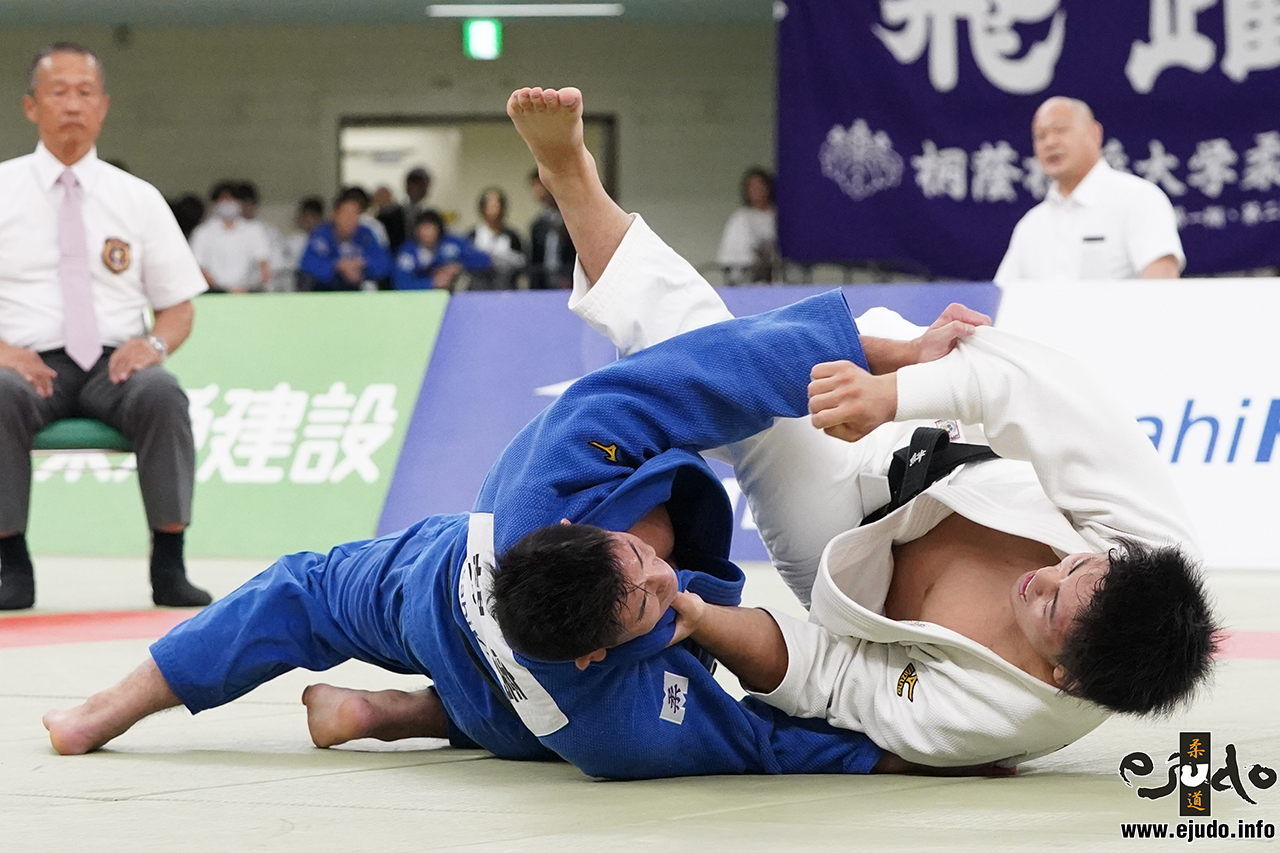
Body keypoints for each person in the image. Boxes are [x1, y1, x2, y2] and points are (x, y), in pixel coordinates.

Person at [38, 87, 1019, 781]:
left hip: (437, 597)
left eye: (636, 561)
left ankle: (398, 710)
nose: (661, 577)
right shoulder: (608, 724)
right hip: (507, 692)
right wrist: (912, 750)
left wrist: (897, 359)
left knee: (312, 593)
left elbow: (707, 363)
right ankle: (399, 711)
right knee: (503, 718)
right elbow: (762, 740)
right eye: (646, 599)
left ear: (569, 525)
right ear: (598, 659)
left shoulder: (549, 474)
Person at [297, 87, 1216, 770]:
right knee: (747, 362)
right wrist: (898, 391)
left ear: (1064, 680)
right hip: (925, 450)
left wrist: (708, 619)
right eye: (1074, 567)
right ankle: (577, 182)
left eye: (1049, 607)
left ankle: (571, 185)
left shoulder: (995, 715)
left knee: (733, 383)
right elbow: (1039, 393)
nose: (1045, 575)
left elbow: (835, 679)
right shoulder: (1150, 546)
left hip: (840, 553)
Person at [0, 43, 212, 610]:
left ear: (104, 106)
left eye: (85, 92)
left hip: (115, 365)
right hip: (25, 364)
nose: (72, 104)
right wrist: (3, 352)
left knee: (162, 393)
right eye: (58, 92)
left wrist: (154, 344)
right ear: (30, 106)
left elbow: (178, 306)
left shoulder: (137, 198)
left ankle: (169, 562)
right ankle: (9, 563)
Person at [994, 97, 1184, 283]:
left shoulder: (1139, 199)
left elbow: (1161, 288)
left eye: (1060, 130)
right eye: (1040, 135)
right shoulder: (1031, 225)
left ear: (1094, 134)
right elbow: (1001, 295)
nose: (1050, 142)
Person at [297, 187, 393, 292]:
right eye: (346, 214)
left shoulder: (365, 234)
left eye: (354, 214)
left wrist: (362, 265)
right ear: (335, 214)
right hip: (327, 291)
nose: (350, 219)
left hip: (359, 289)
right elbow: (307, 263)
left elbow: (384, 263)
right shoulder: (322, 234)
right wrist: (337, 266)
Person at [189, 180, 272, 293]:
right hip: (215, 292)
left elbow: (263, 263)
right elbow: (197, 266)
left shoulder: (254, 229)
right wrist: (221, 290)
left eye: (231, 199)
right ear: (215, 203)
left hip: (248, 292)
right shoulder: (202, 232)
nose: (228, 203)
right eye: (223, 199)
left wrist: (253, 287)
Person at [392, 209, 492, 292]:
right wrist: (432, 282)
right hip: (421, 298)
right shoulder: (408, 252)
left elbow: (483, 260)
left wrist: (457, 267)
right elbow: (401, 283)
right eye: (424, 228)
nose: (427, 233)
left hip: (455, 293)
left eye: (431, 227)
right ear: (416, 231)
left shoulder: (452, 243)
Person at [716, 167, 778, 285]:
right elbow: (728, 258)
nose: (756, 191)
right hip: (746, 282)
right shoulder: (739, 219)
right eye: (752, 187)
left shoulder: (778, 218)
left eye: (760, 186)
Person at [466, 187, 526, 290]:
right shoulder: (473, 235)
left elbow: (521, 263)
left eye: (498, 204)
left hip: (506, 288)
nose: (495, 209)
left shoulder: (512, 236)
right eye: (490, 205)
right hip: (479, 289)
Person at [527, 169, 575, 289]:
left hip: (572, 281)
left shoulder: (573, 218)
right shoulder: (538, 225)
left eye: (539, 186)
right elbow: (535, 259)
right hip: (545, 284)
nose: (536, 192)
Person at [376, 167, 431, 253]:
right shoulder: (388, 214)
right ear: (406, 185)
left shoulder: (431, 217)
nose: (416, 188)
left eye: (421, 185)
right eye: (413, 183)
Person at [277, 196, 323, 292]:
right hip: (295, 281)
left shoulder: (324, 241)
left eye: (313, 216)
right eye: (306, 216)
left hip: (319, 282)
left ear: (320, 218)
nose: (309, 220)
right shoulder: (292, 240)